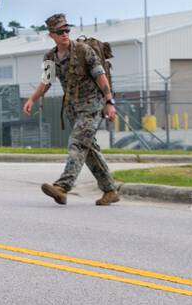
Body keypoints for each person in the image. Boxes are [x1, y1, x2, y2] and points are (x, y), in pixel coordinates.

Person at [21, 13, 119, 205]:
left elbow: (100, 76)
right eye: (60, 31)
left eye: (67, 30)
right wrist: (32, 99)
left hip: (92, 104)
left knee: (77, 143)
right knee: (89, 149)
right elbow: (46, 81)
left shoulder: (84, 50)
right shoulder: (50, 57)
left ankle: (62, 187)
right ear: (52, 35)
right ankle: (110, 190)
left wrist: (109, 102)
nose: (65, 34)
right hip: (74, 108)